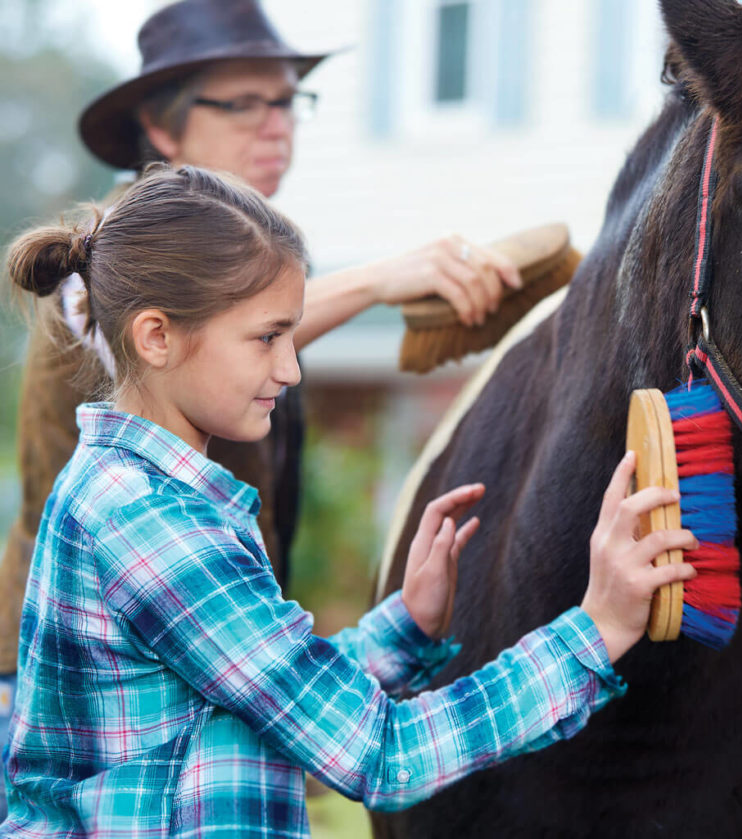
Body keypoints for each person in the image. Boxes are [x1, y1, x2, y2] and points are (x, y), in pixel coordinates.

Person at [0, 164, 697, 835]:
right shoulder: (151, 521)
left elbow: (260, 694)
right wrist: (596, 629)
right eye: (267, 336)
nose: (291, 366)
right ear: (157, 336)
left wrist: (406, 628)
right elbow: (379, 753)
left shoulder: (128, 490)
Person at [0, 0, 523, 789]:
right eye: (244, 103)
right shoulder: (110, 263)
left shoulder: (240, 286)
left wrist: (406, 625)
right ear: (163, 129)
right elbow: (151, 328)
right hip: (85, 713)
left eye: (287, 101)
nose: (276, 125)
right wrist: (380, 278)